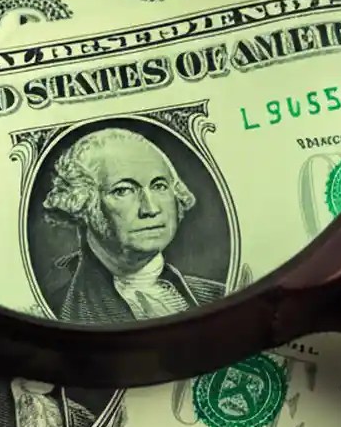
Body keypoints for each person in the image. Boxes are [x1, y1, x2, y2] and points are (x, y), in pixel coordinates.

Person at [41, 127, 225, 323]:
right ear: (82, 204)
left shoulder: (218, 295)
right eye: (123, 190)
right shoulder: (59, 312)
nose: (150, 209)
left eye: (159, 186)